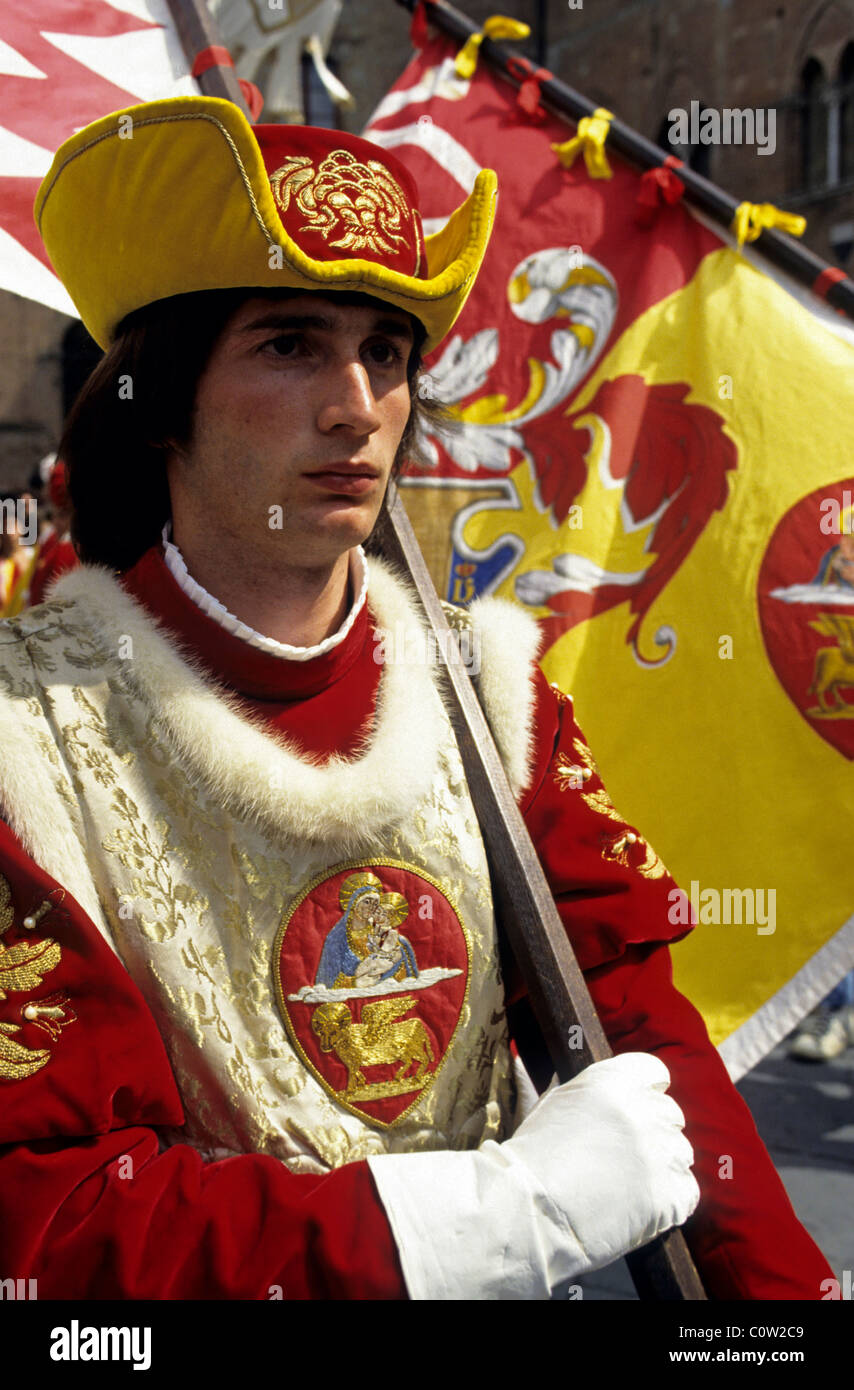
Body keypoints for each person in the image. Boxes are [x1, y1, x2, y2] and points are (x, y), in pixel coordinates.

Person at [0, 94, 834, 1300]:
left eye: (383, 352)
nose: (356, 405)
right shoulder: (25, 738)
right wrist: (496, 1219)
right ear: (163, 398)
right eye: (289, 344)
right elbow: (50, 1223)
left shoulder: (495, 695)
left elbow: (649, 1048)